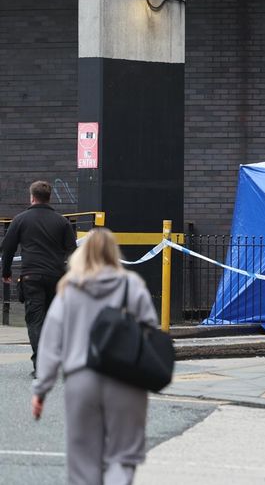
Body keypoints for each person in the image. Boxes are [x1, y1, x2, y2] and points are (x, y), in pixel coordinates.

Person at [31, 228, 158, 485]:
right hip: (126, 379)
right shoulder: (131, 286)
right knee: (122, 457)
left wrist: (41, 389)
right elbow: (150, 332)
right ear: (115, 253)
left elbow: (50, 343)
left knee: (83, 460)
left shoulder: (69, 289)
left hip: (82, 379)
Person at [1, 181, 76, 377]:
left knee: (35, 320)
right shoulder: (62, 222)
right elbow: (72, 252)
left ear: (32, 197)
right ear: (49, 197)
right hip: (57, 277)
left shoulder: (21, 220)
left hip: (31, 276)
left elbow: (8, 248)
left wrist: (6, 272)